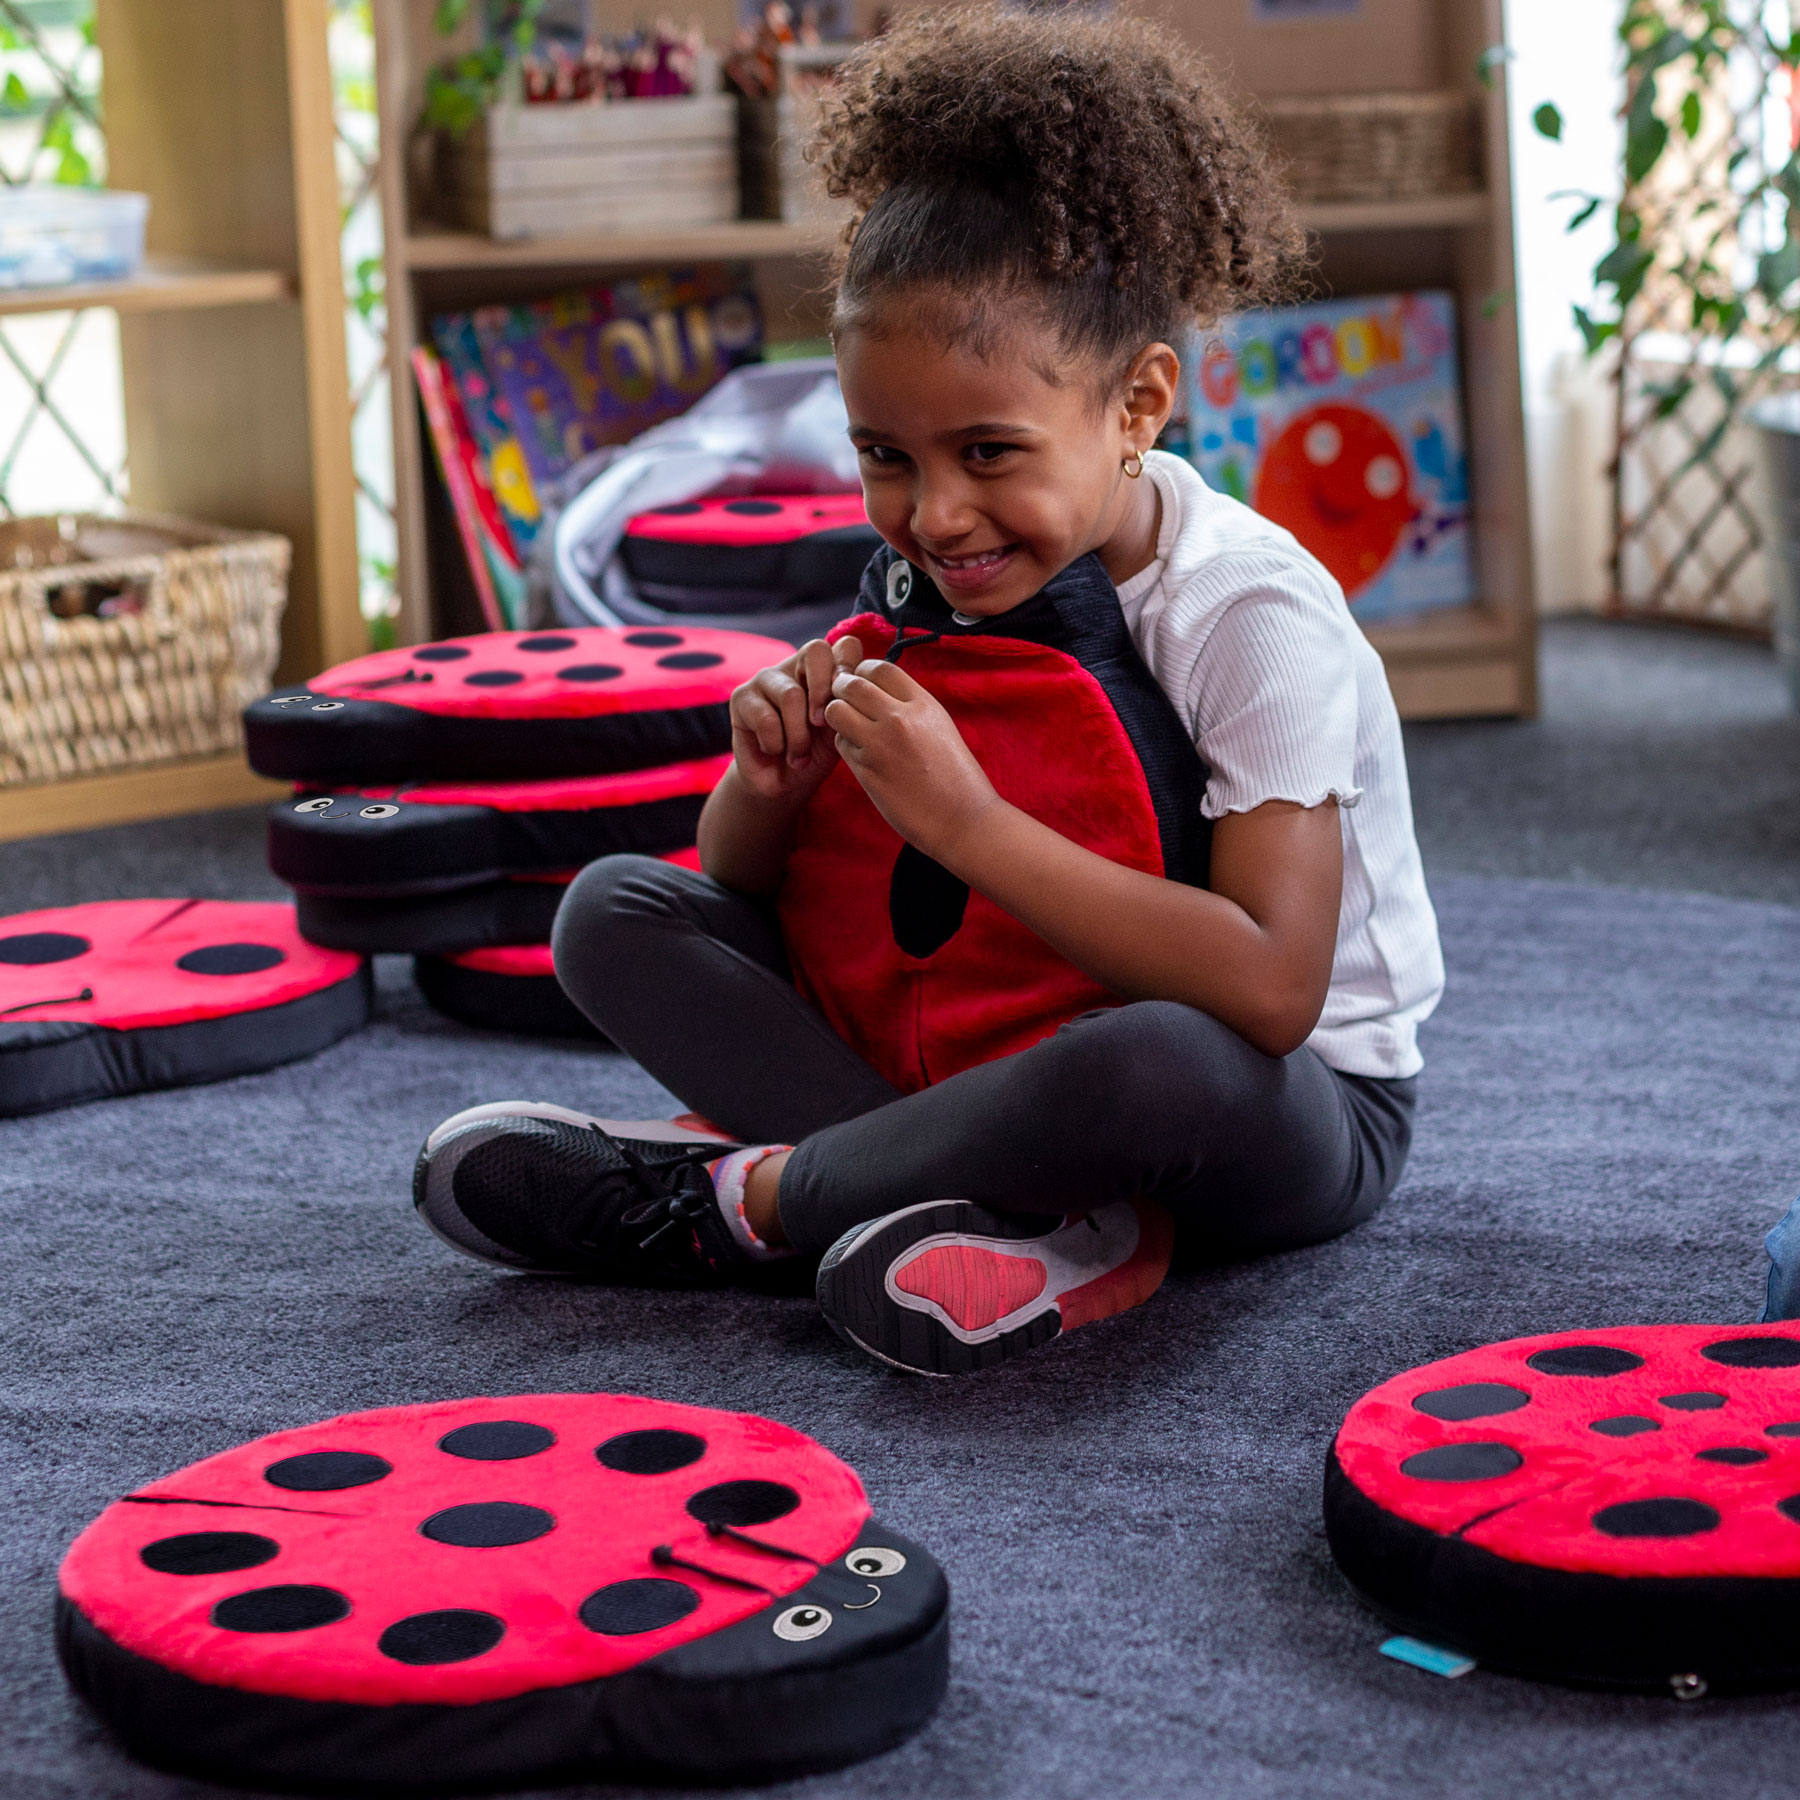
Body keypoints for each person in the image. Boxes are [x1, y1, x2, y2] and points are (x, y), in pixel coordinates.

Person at [412, 3, 1444, 1377]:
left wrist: (967, 827)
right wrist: (765, 793)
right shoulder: (934, 574)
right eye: (883, 455)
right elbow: (773, 885)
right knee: (615, 912)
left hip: (1279, 1104)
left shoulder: (1247, 614)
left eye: (989, 452)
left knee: (1150, 1060)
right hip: (970, 1027)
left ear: (1139, 407)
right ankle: (1002, 1207)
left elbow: (1269, 991)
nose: (936, 513)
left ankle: (756, 1200)